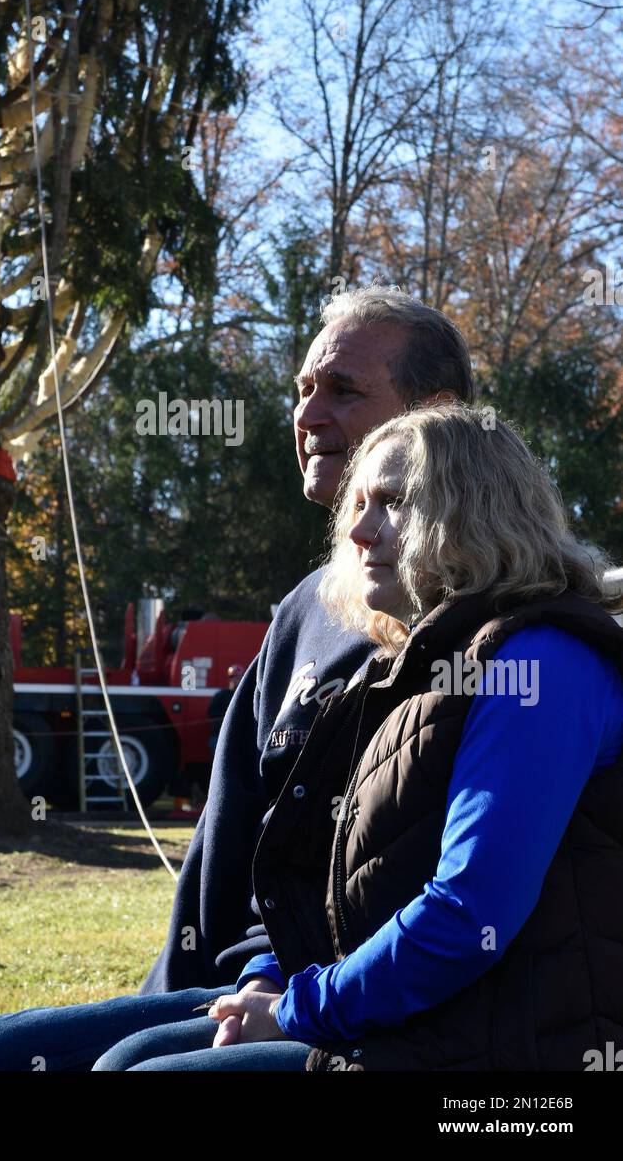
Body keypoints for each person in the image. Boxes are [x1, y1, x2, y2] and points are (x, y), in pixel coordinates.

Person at [0, 286, 475, 1071]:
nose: (309, 415)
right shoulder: (307, 610)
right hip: (253, 981)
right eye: (303, 390)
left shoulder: (496, 625)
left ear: (437, 410)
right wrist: (183, 990)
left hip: (374, 1006)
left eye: (345, 390)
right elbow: (233, 842)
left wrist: (290, 1001)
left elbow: (466, 900)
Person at [86, 404, 623, 1069]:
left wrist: (297, 1010)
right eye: (358, 503)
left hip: (506, 1044)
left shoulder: (539, 662)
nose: (360, 531)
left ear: (476, 512)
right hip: (388, 1012)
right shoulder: (409, 668)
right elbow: (343, 888)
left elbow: (467, 917)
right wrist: (274, 975)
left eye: (392, 502)